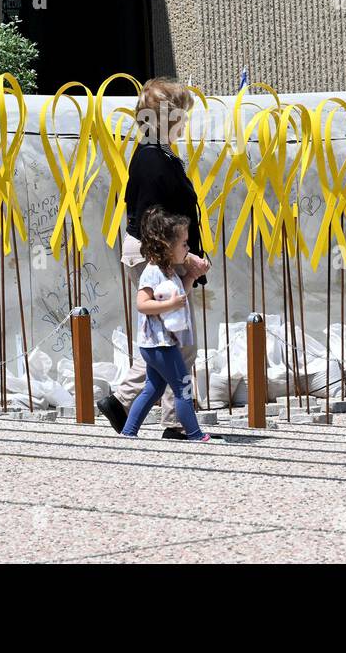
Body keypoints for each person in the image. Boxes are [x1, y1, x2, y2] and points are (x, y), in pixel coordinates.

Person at [97, 78, 211, 438]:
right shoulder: (152, 158)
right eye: (183, 115)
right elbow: (151, 215)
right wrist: (179, 256)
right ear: (168, 118)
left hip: (158, 250)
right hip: (157, 252)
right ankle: (172, 420)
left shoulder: (156, 154)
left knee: (165, 337)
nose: (186, 123)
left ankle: (126, 403)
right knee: (177, 340)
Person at [121, 207, 210, 441]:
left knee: (154, 388)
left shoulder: (168, 270)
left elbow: (180, 293)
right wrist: (170, 305)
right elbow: (142, 304)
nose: (188, 249)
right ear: (167, 245)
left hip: (160, 343)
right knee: (183, 386)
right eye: (183, 244)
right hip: (159, 344)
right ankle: (194, 433)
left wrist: (191, 276)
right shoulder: (152, 272)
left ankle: (129, 431)